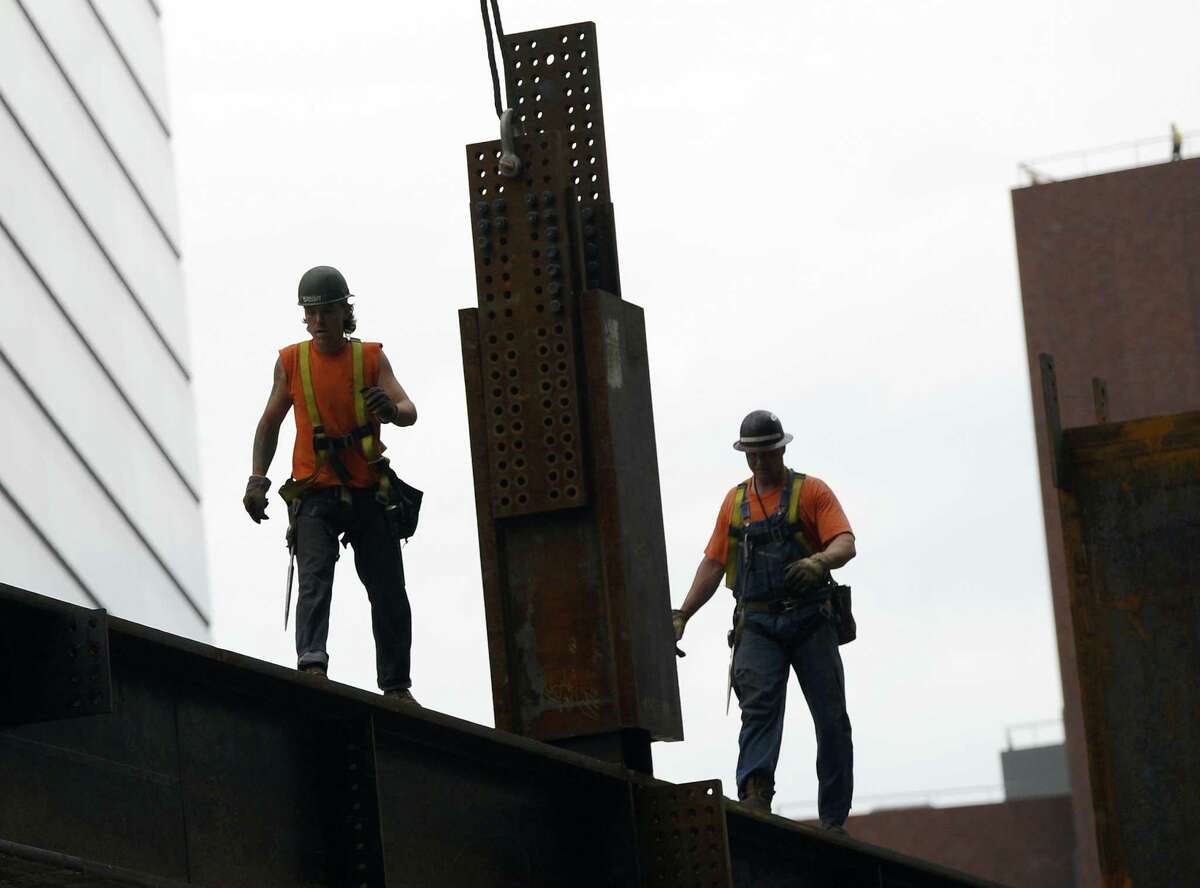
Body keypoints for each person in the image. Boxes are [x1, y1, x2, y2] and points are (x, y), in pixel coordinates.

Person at [242, 265, 419, 704]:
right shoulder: (292, 362)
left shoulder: (369, 358)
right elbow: (269, 423)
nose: (318, 322)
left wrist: (390, 412)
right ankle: (312, 666)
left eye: (326, 312)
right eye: (311, 313)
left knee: (388, 591)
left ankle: (397, 686)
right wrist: (257, 479)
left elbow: (408, 408)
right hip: (315, 490)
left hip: (366, 490)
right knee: (315, 580)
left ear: (345, 312)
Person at [672, 410, 856, 831]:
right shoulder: (735, 503)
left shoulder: (812, 492)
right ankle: (756, 795)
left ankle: (833, 818)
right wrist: (683, 614)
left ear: (782, 449)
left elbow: (845, 543)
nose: (759, 463)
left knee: (830, 718)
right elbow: (715, 562)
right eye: (751, 455)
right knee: (758, 709)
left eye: (766, 454)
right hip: (757, 625)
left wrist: (818, 561)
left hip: (811, 621)